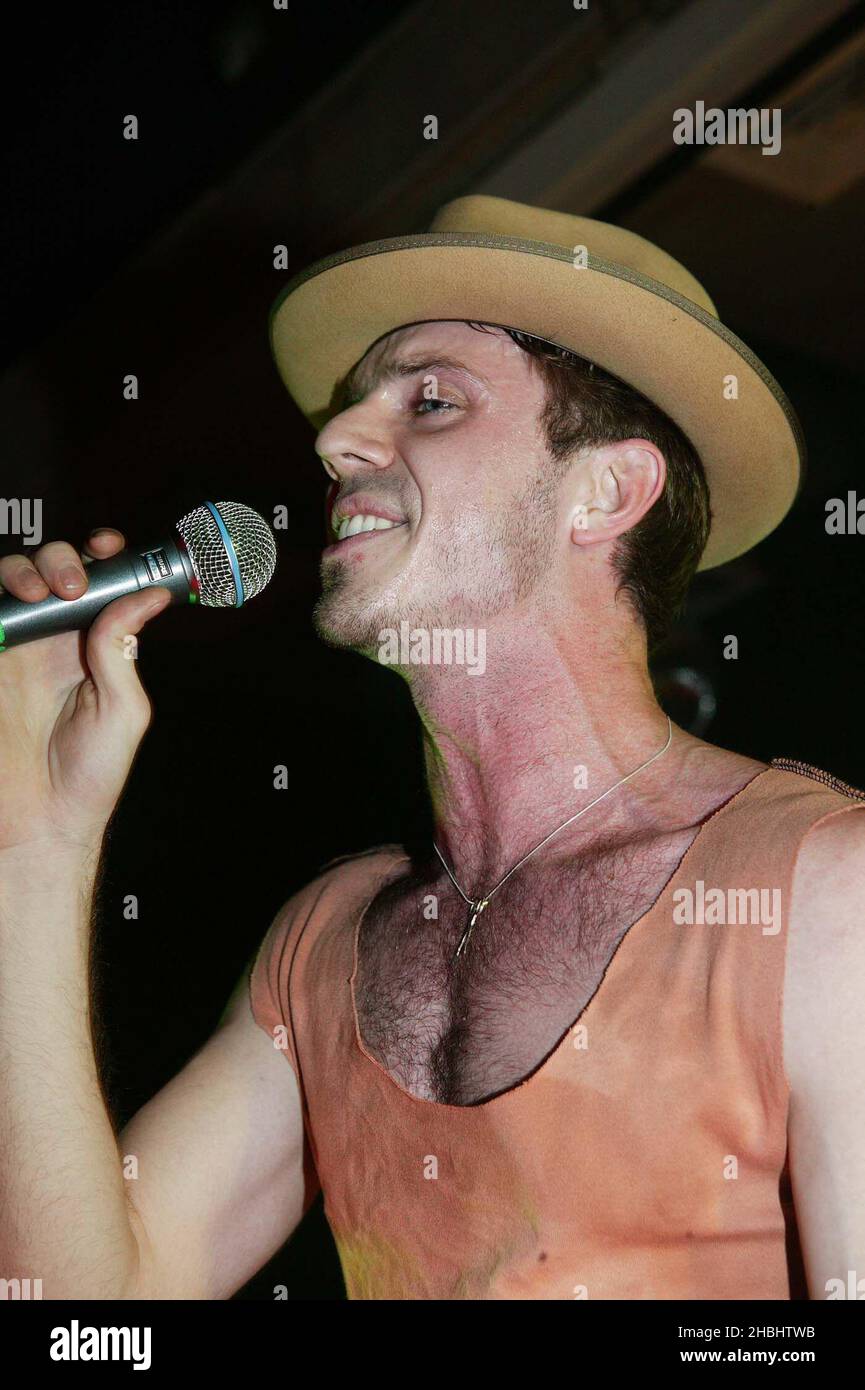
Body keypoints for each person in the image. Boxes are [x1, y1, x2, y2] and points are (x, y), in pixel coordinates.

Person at [1, 196, 862, 1301]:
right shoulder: (322, 943)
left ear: (606, 490)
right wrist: (38, 839)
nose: (332, 438)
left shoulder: (827, 887)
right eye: (358, 405)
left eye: (432, 400)